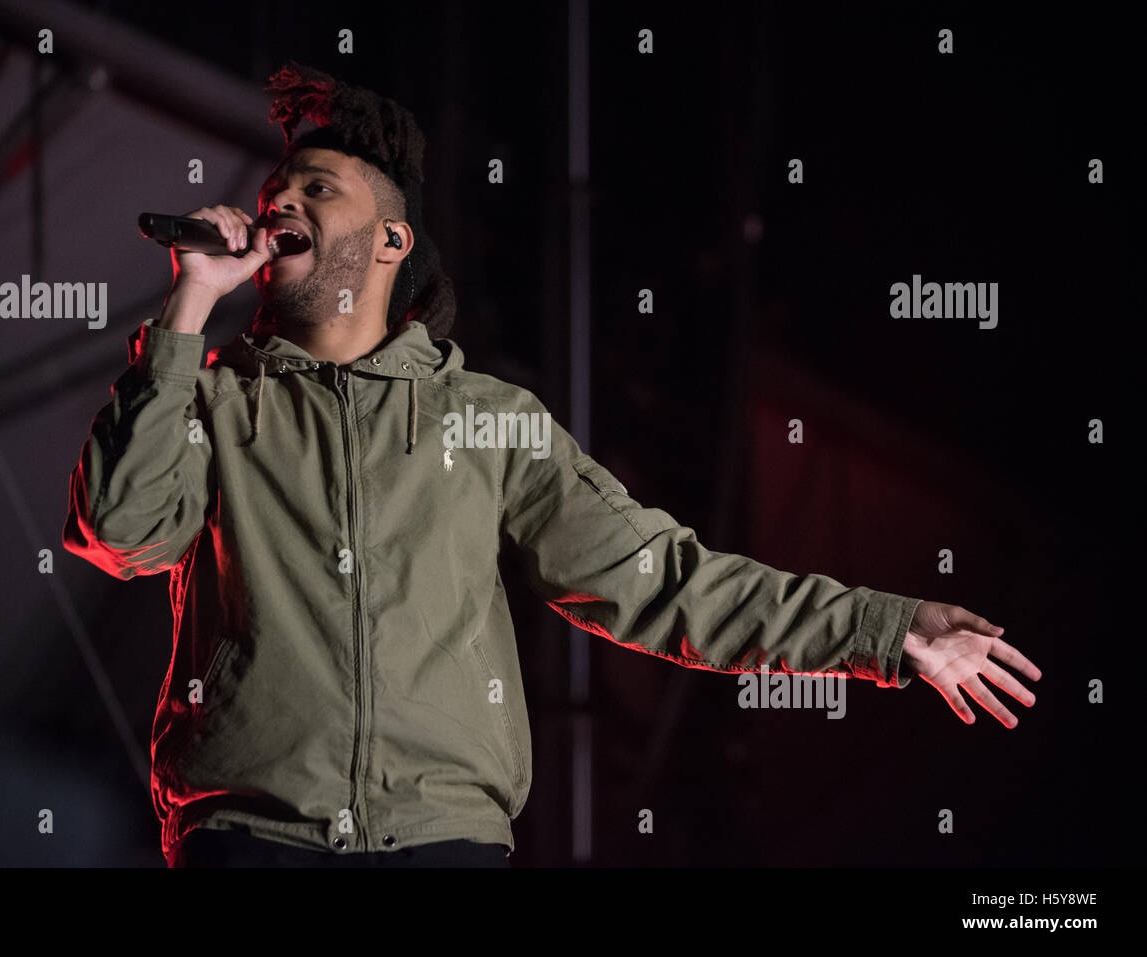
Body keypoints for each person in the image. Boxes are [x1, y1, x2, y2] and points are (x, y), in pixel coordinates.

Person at [62, 62, 1040, 868]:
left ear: (391, 241)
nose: (280, 199)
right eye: (277, 188)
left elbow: (662, 583)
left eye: (319, 188)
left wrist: (888, 629)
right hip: (250, 837)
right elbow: (120, 532)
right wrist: (187, 309)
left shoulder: (487, 423)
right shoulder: (210, 397)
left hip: (440, 841)